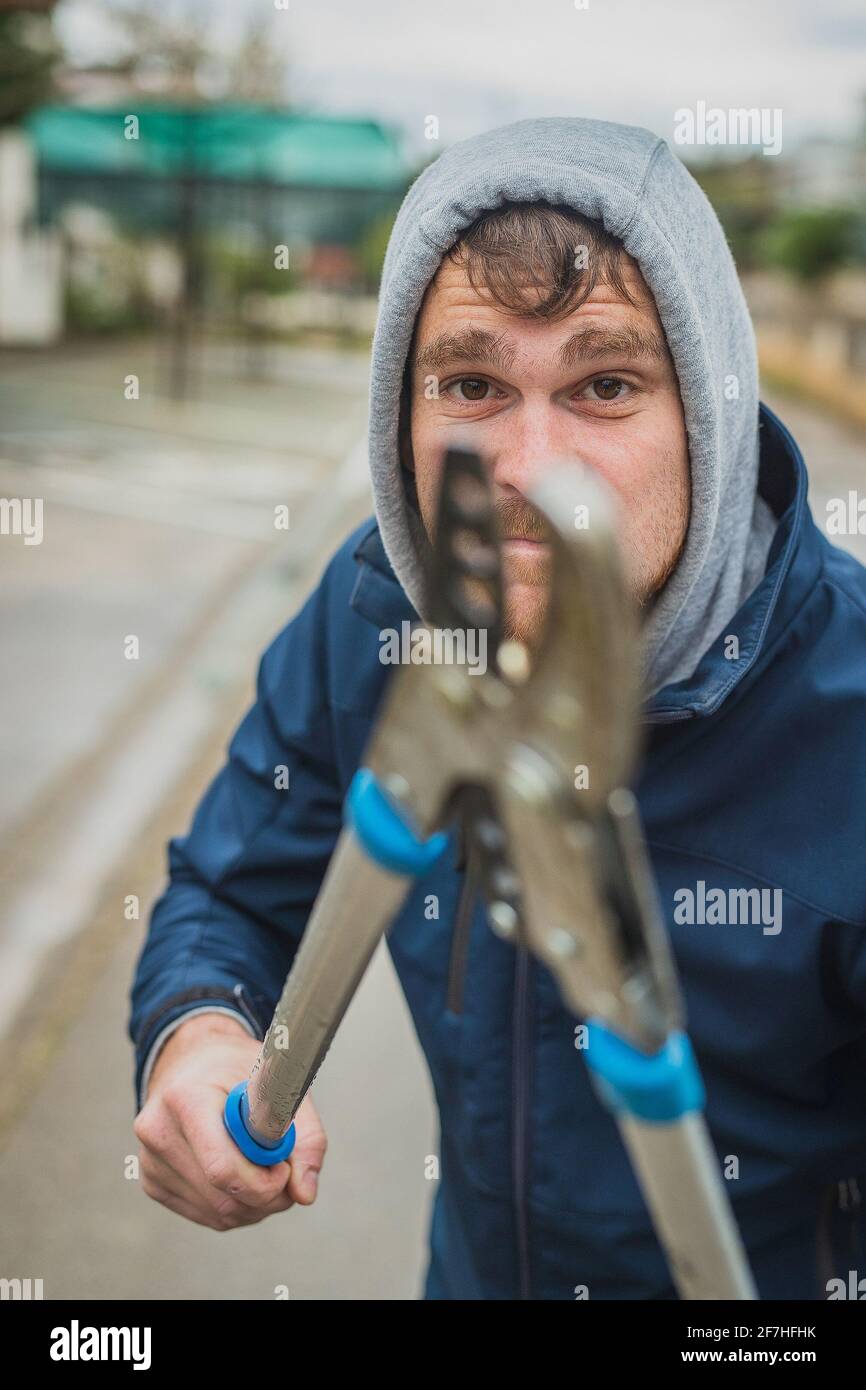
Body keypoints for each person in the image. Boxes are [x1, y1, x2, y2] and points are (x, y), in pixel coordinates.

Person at [129, 117, 866, 1300]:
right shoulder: (370, 613)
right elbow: (233, 878)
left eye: (605, 384)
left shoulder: (848, 708)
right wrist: (200, 1028)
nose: (527, 470)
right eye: (470, 384)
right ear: (398, 420)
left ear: (709, 421)